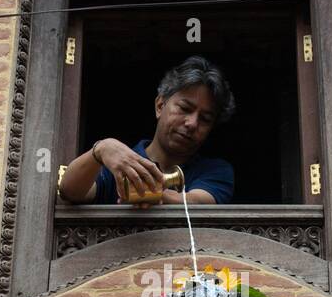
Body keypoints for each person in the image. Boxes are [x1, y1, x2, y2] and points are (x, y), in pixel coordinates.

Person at [57, 55, 236, 207]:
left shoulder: (216, 171)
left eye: (205, 119)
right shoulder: (119, 161)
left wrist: (144, 192)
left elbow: (195, 202)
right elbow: (69, 191)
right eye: (185, 108)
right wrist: (102, 149)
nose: (192, 123)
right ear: (160, 105)